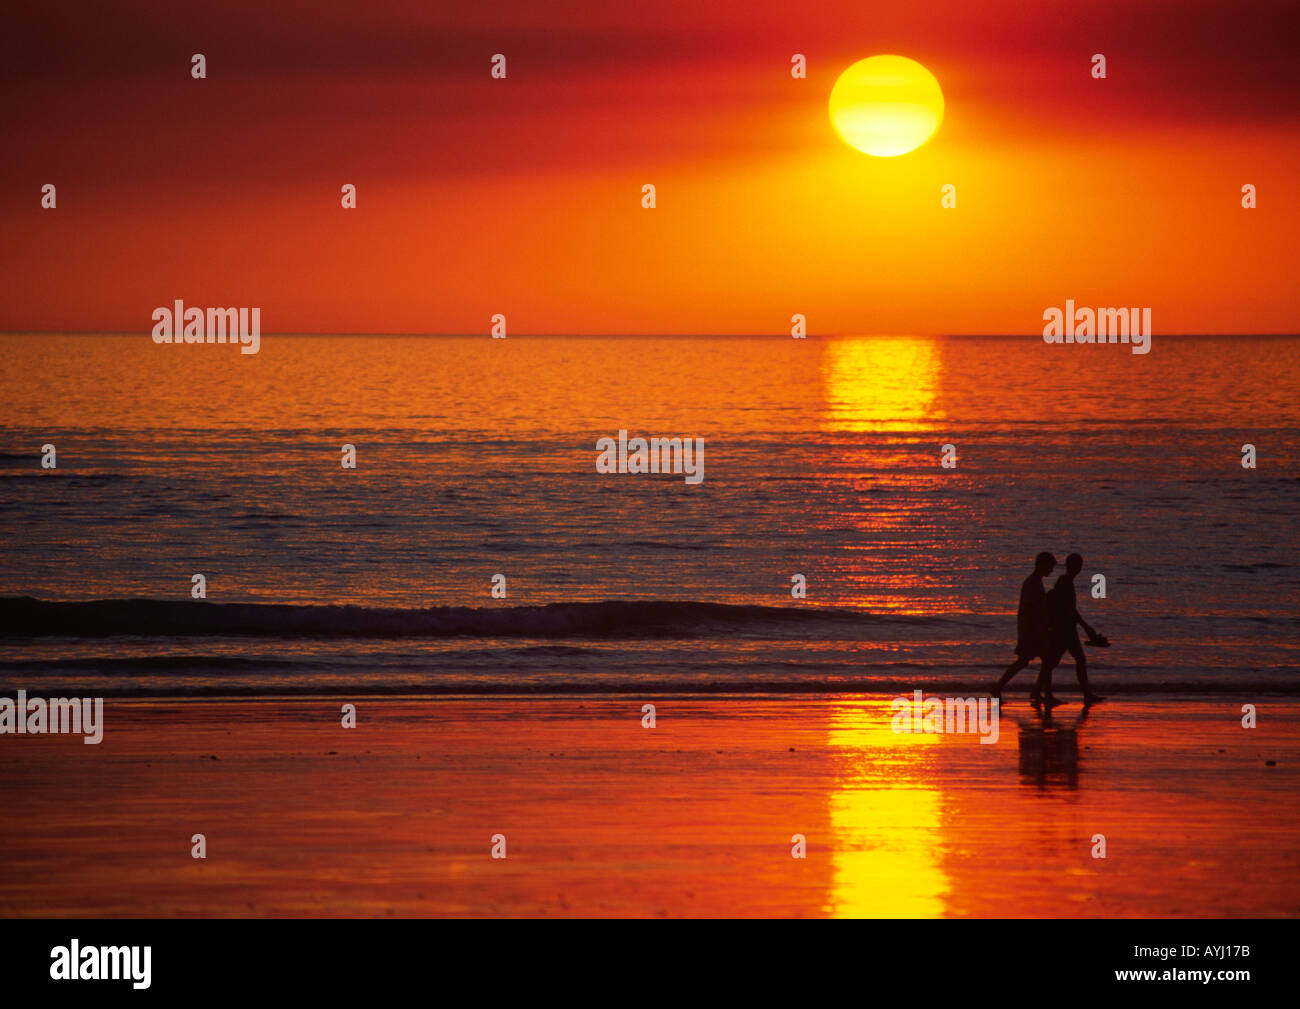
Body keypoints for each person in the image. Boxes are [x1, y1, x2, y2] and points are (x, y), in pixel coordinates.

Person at [992, 552, 1065, 706]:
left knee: (1028, 661)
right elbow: (1030, 609)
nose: (1051, 570)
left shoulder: (1035, 582)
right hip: (1033, 631)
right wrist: (1037, 629)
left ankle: (1001, 688)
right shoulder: (1032, 583)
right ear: (1041, 565)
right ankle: (1044, 694)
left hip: (1033, 630)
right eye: (1050, 567)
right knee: (1044, 661)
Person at [1034, 552, 1106, 705]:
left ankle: (1038, 691)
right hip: (1064, 629)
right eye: (1076, 565)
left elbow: (1071, 609)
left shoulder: (1065, 582)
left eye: (1079, 565)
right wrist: (1086, 627)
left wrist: (1084, 626)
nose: (1078, 568)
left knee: (1053, 662)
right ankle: (1084, 694)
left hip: (1065, 628)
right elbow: (1069, 610)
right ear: (1070, 566)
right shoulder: (1065, 583)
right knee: (1061, 661)